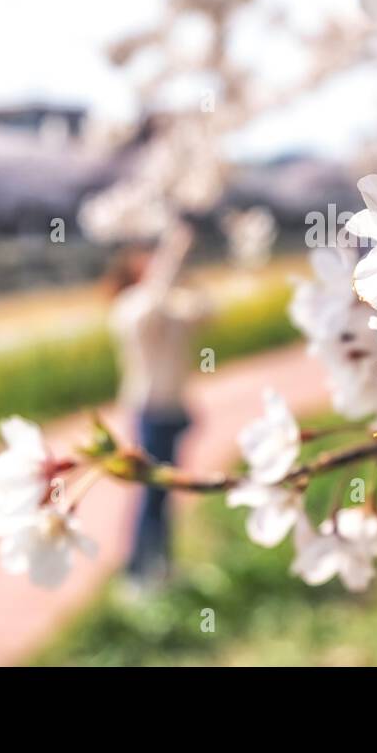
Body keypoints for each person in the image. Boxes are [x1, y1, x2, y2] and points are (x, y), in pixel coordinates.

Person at [105, 220, 207, 584]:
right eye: (145, 257)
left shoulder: (167, 306)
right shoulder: (130, 308)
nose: (153, 262)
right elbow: (152, 301)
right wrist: (174, 252)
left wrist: (184, 275)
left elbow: (206, 311)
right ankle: (138, 572)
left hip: (174, 410)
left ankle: (160, 567)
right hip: (149, 410)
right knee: (152, 494)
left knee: (164, 493)